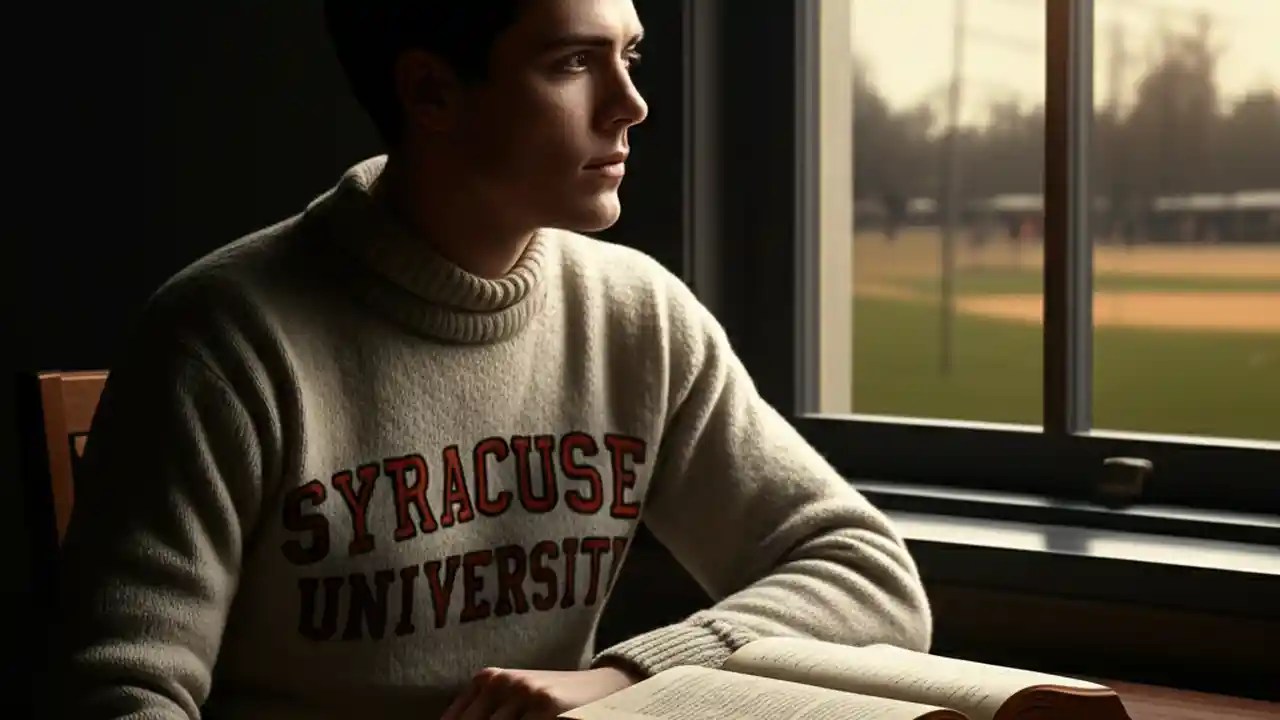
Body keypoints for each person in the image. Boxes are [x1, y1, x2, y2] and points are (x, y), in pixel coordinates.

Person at [45, 1, 932, 718]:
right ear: (431, 92)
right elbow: (118, 692)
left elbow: (869, 576)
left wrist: (629, 675)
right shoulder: (224, 335)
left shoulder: (637, 314)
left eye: (632, 55)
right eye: (574, 63)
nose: (632, 104)